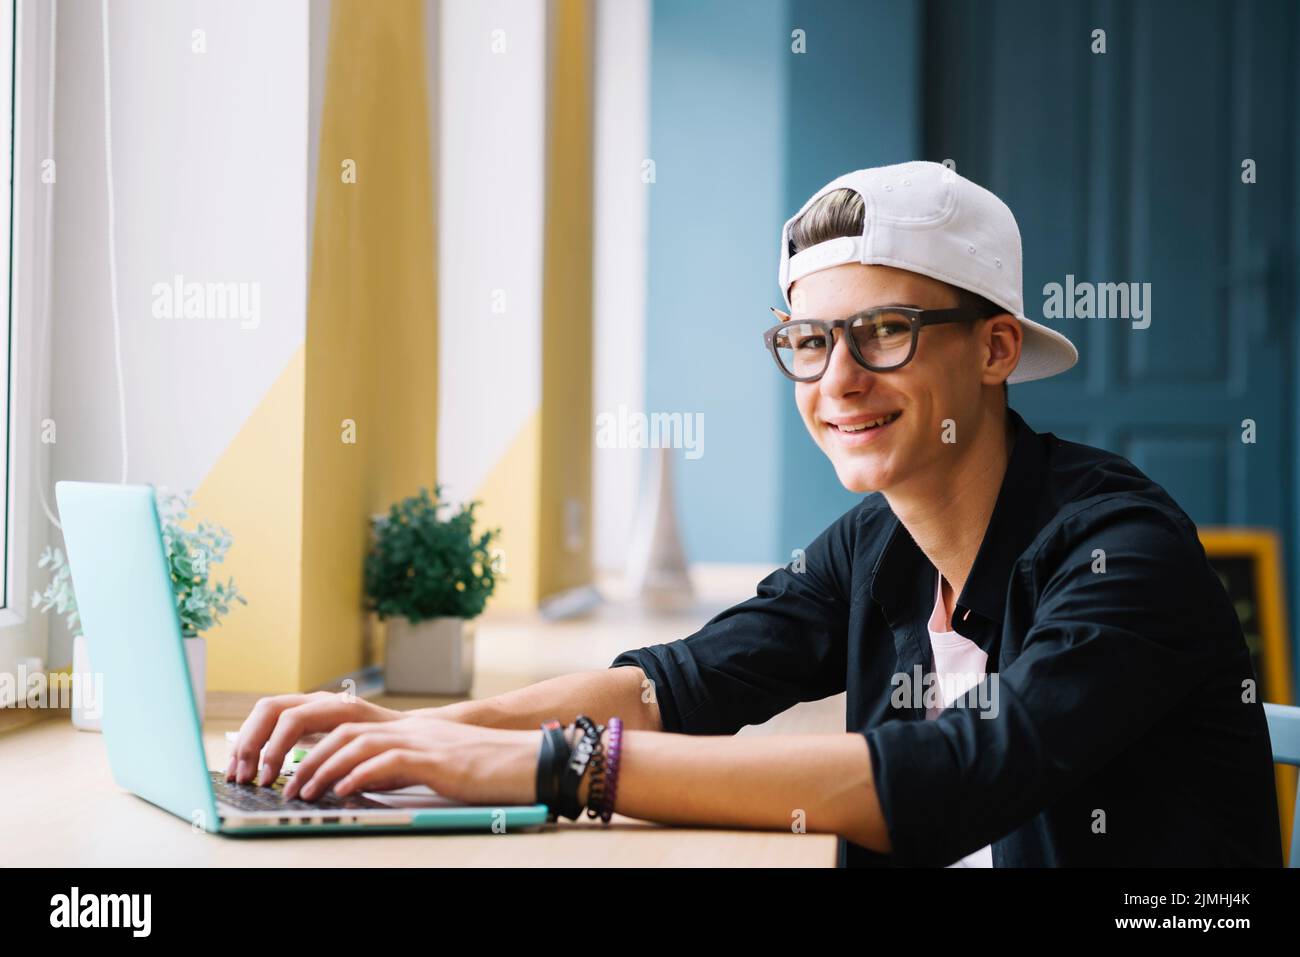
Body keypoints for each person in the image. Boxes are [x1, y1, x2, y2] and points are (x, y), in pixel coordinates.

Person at [226, 160, 1282, 867]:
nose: (837, 382)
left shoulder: (1118, 551)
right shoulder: (880, 541)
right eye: (809, 342)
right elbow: (678, 684)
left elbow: (966, 774)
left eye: (882, 333)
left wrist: (561, 768)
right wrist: (416, 734)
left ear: (995, 349)